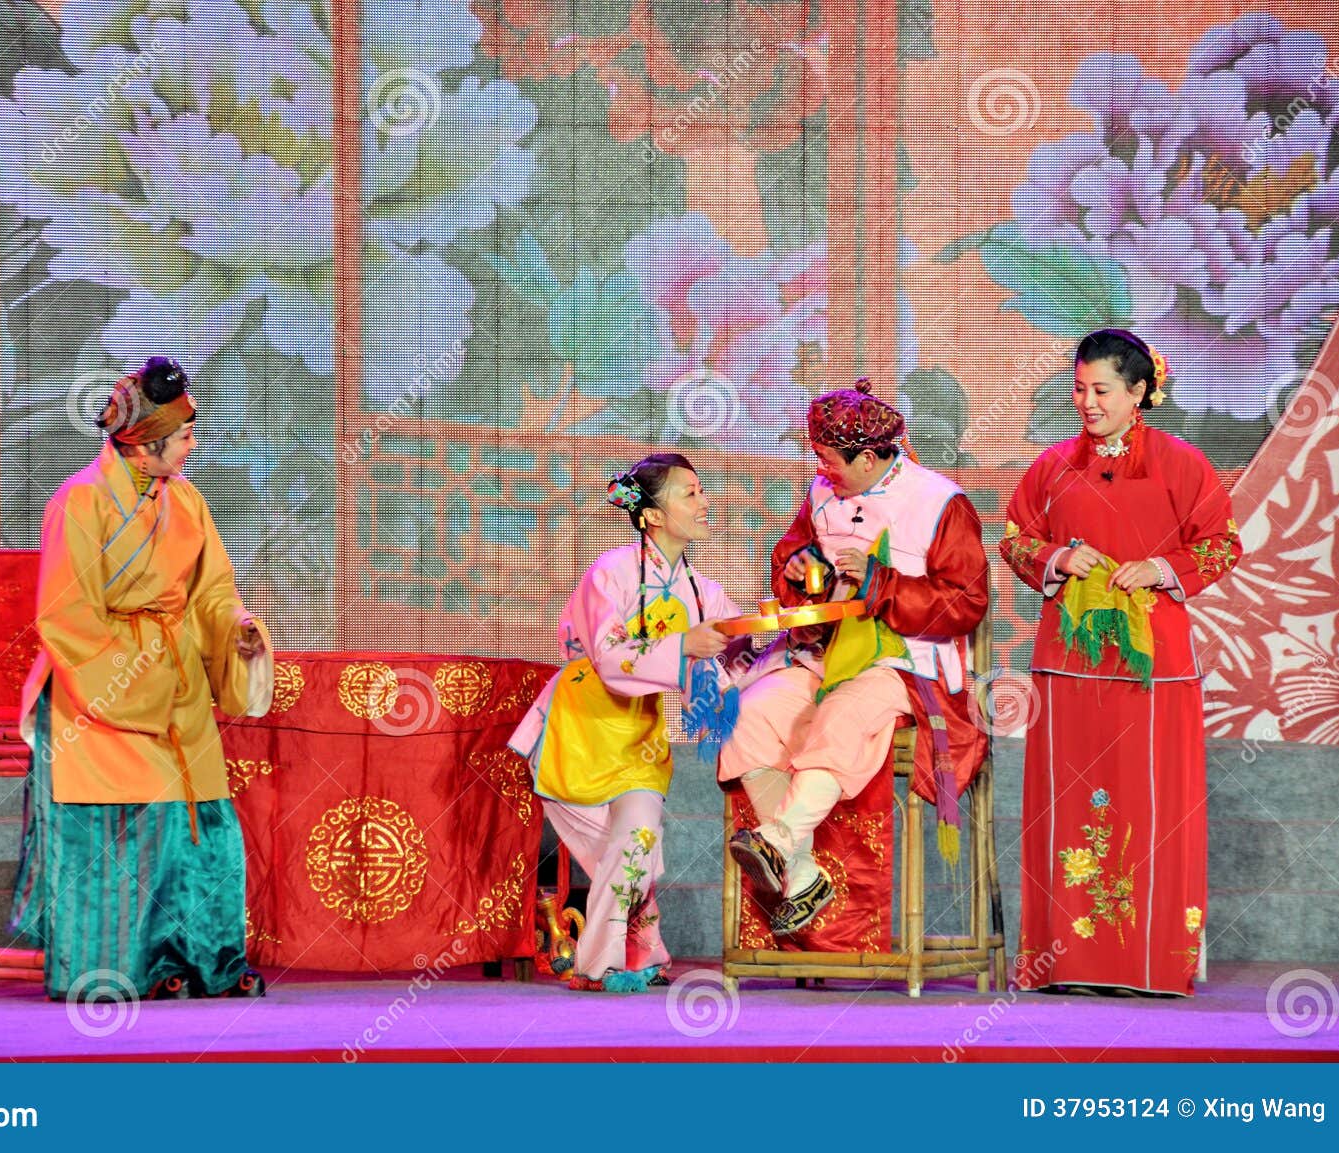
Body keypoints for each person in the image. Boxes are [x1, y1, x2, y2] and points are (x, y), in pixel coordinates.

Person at [10, 356, 274, 1001]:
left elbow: (212, 592)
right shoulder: (80, 502)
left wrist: (235, 630)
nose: (193, 444)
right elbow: (66, 615)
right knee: (134, 819)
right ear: (150, 442)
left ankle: (198, 959)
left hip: (176, 674)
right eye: (184, 434)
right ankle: (113, 969)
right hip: (97, 689)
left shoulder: (187, 501)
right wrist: (132, 678)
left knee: (206, 822)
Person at [1001, 329, 1240, 996]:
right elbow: (1016, 537)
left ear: (1139, 393)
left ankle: (1150, 964)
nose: (1086, 401)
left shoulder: (1181, 463)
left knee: (1151, 808)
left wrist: (1161, 568)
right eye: (1078, 388)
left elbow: (1222, 544)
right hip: (1069, 665)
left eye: (1101, 389)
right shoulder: (1052, 466)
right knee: (1070, 805)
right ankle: (1066, 965)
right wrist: (1056, 558)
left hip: (1151, 669)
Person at [719, 380, 989, 934]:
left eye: (827, 459)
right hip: (827, 653)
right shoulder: (821, 493)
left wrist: (879, 583)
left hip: (904, 662)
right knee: (748, 714)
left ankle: (779, 839)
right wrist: (801, 570)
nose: (822, 471)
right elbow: (794, 554)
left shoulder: (940, 501)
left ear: (868, 456)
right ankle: (799, 873)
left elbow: (964, 603)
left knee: (843, 713)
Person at [509, 453, 743, 992]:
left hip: (638, 735)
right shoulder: (609, 573)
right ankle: (644, 951)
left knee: (635, 841)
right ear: (653, 515)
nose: (705, 502)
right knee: (628, 850)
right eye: (691, 493)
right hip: (582, 726)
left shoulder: (701, 590)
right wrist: (685, 644)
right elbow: (611, 657)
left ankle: (601, 964)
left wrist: (795, 626)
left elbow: (737, 649)